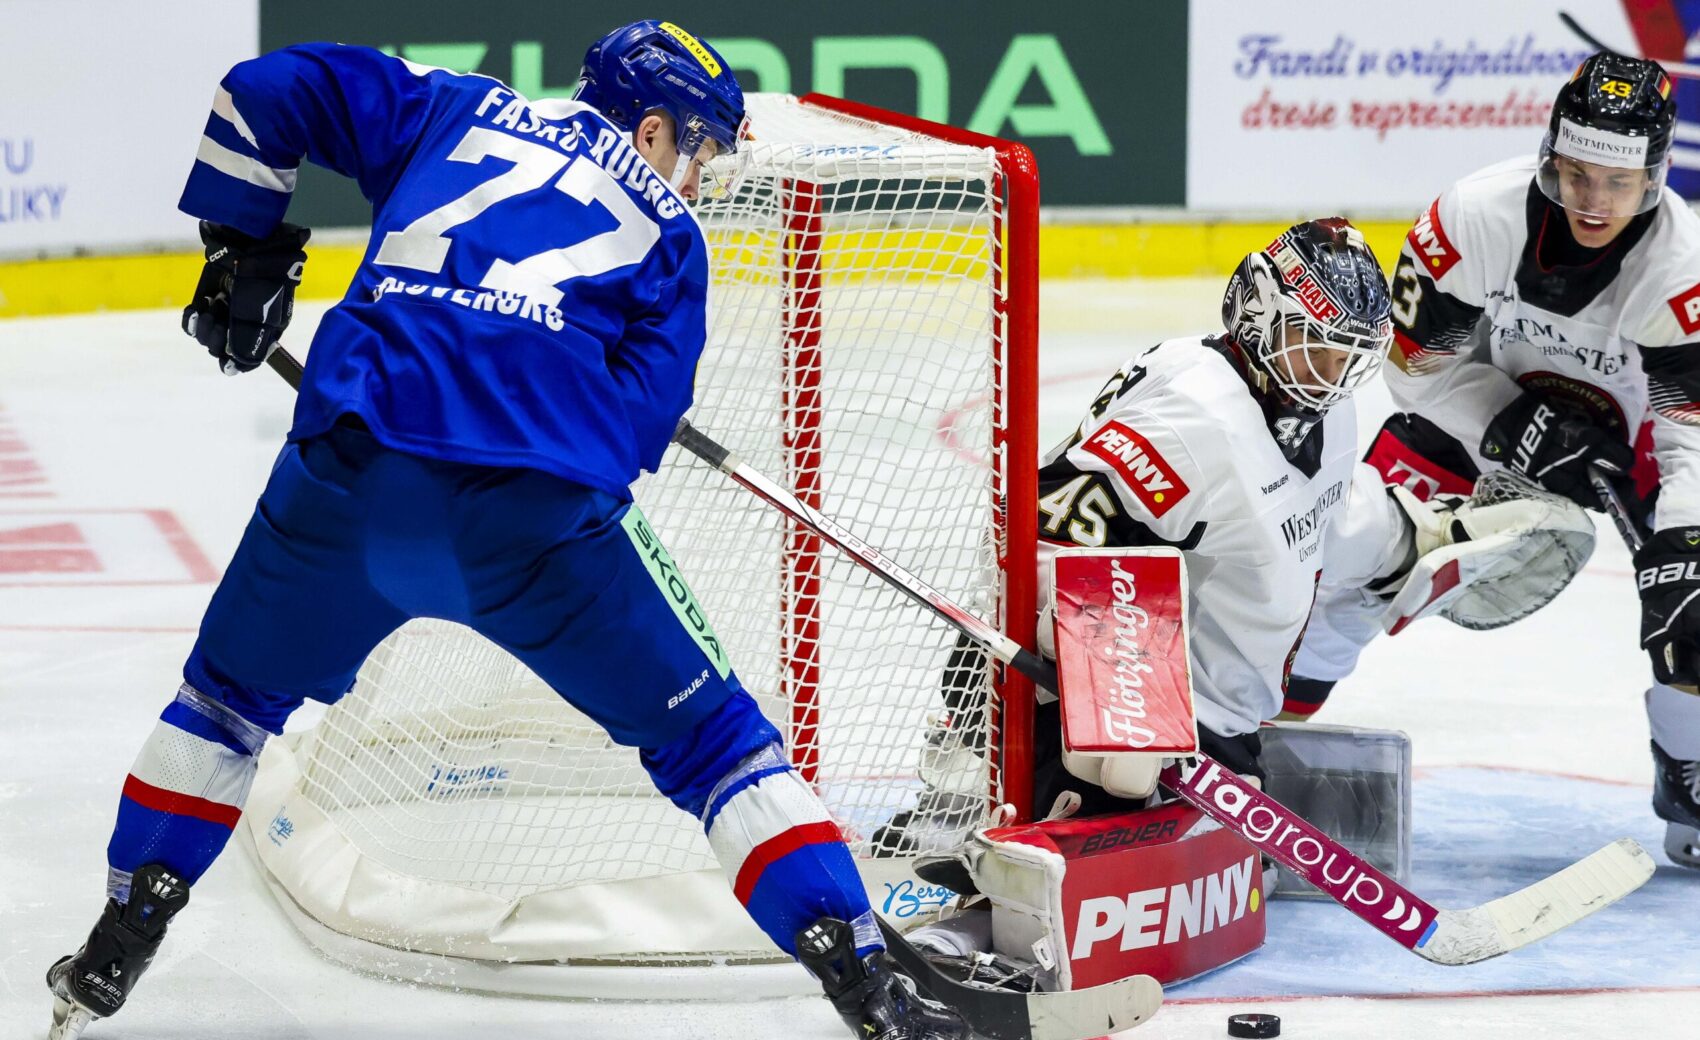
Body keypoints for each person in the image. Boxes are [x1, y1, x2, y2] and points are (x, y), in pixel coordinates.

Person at [45, 23, 965, 1040]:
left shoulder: (453, 104)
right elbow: (624, 442)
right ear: (652, 128)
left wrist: (244, 248)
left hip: (349, 475)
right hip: (533, 531)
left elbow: (265, 88)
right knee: (718, 748)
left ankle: (119, 937)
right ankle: (867, 985)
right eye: (698, 148)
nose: (698, 179)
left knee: (224, 705)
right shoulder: (668, 233)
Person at [876, 218, 1581, 863]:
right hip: (1089, 715)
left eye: (1346, 360)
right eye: (1316, 351)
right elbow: (1044, 535)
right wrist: (1126, 708)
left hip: (1210, 726)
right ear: (1260, 317)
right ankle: (972, 794)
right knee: (1125, 825)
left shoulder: (1313, 412)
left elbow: (1326, 514)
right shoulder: (1196, 421)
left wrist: (1415, 541)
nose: (1331, 378)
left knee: (1235, 861)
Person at [1290, 51, 1700, 870]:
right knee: (1350, 566)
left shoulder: (1682, 268)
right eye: (1578, 174)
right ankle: (1250, 746)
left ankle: (1688, 782)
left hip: (1640, 444)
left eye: (1619, 184)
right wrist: (1512, 422)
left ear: (1654, 177)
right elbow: (1413, 373)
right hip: (1474, 406)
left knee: (1695, 623)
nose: (1594, 202)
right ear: (1551, 151)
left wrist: (1682, 553)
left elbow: (1690, 438)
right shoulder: (1474, 216)